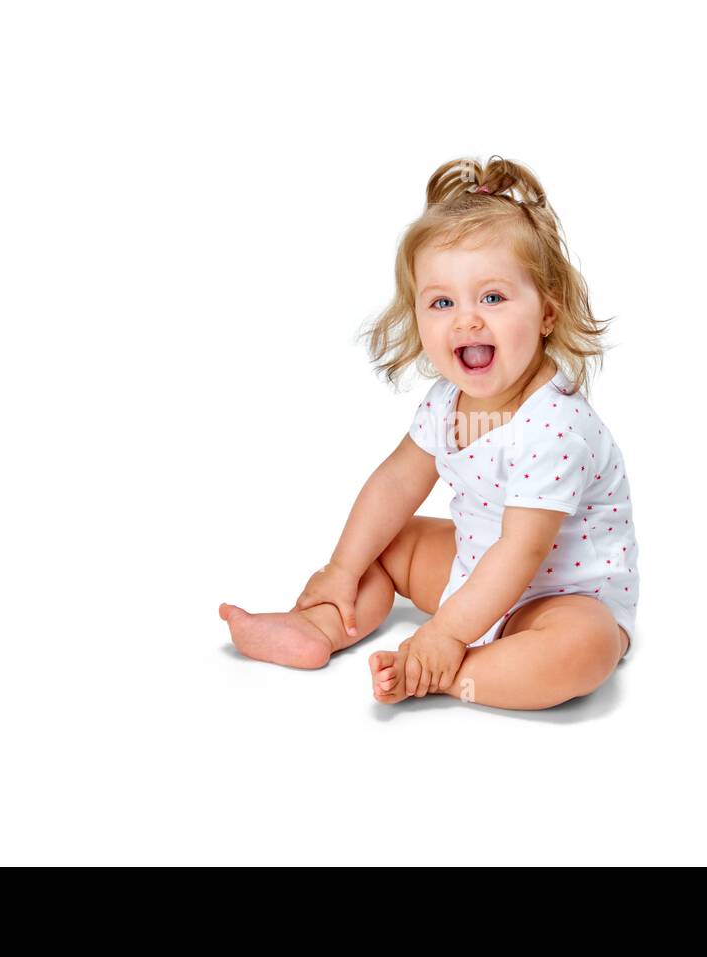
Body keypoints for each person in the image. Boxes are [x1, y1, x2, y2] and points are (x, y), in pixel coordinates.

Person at [219, 155, 638, 710]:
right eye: (442, 302)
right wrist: (341, 568)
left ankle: (441, 672)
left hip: (558, 593)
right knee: (387, 538)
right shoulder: (446, 401)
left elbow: (520, 551)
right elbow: (396, 481)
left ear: (546, 314)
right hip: (472, 567)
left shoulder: (555, 429)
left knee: (584, 649)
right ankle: (322, 624)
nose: (467, 319)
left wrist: (443, 635)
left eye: (492, 297)